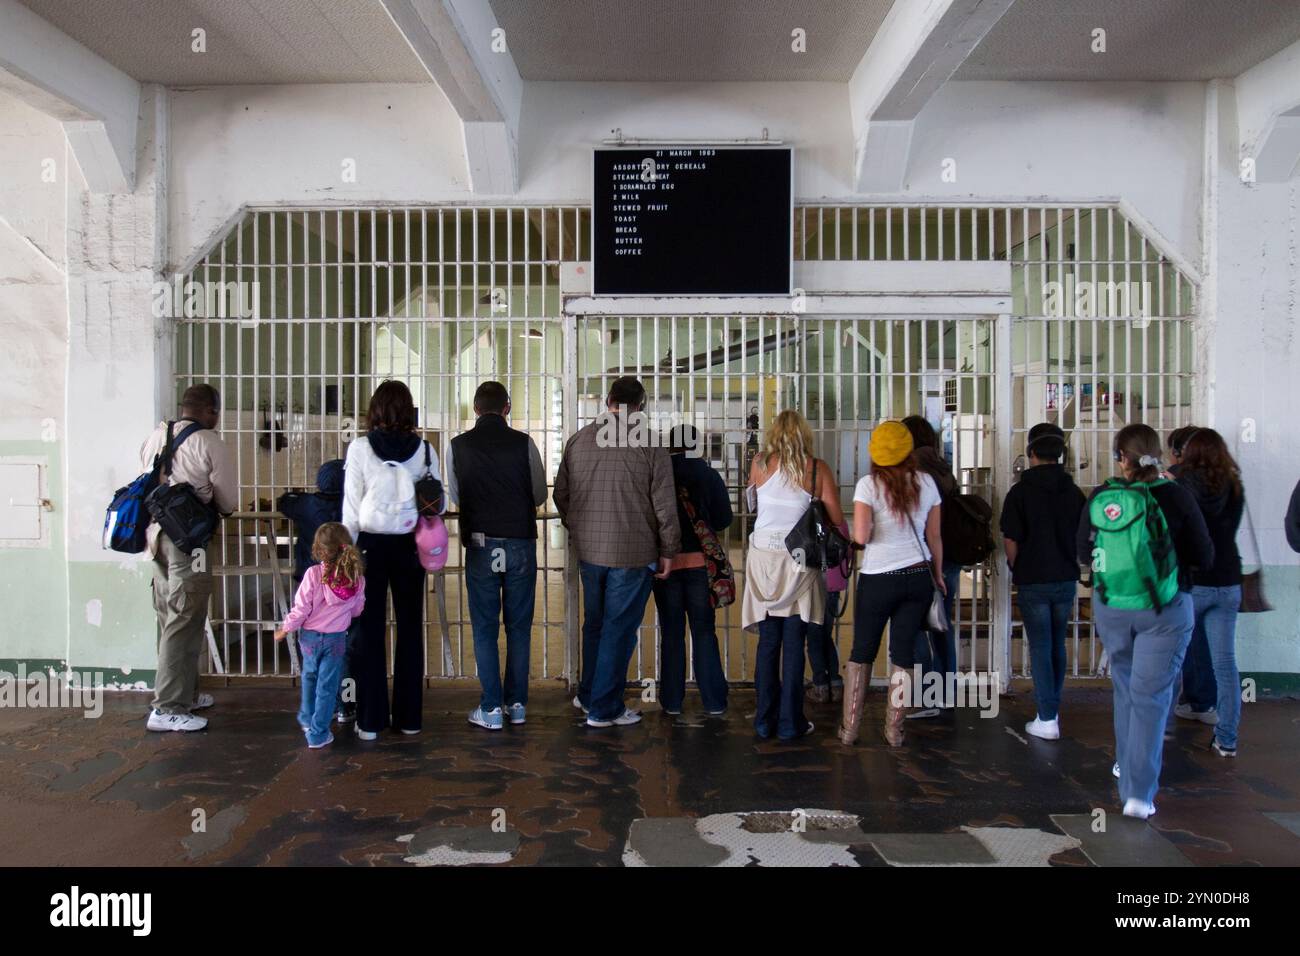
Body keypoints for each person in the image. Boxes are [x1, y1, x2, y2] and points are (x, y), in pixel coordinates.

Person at [1077, 424, 1213, 819]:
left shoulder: (1103, 496)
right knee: (1151, 695)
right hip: (1166, 609)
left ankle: (1125, 764)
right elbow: (1203, 554)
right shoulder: (1177, 495)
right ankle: (1138, 793)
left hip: (1112, 606)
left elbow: (1082, 549)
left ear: (1121, 457)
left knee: (1124, 687)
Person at [554, 376, 680, 728]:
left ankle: (588, 694)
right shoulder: (651, 446)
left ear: (608, 400)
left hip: (589, 553)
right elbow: (665, 508)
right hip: (633, 553)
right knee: (618, 630)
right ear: (641, 405)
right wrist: (669, 550)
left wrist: (577, 526)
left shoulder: (579, 441)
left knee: (594, 624)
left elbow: (560, 494)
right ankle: (604, 709)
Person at [445, 381, 547, 731]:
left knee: (485, 628)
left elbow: (456, 494)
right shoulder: (525, 443)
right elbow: (538, 495)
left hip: (480, 544)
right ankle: (516, 705)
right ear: (507, 408)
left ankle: (490, 708)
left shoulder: (457, 446)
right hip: (519, 541)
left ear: (475, 409)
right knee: (519, 627)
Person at [343, 380, 440, 740]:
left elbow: (350, 508)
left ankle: (370, 721)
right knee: (411, 629)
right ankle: (410, 719)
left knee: (369, 631)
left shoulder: (360, 448)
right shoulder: (425, 450)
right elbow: (437, 504)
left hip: (368, 546)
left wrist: (346, 554)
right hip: (409, 546)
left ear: (376, 410)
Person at [140, 384, 238, 732]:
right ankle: (167, 707)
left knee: (171, 614)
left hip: (155, 536)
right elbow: (227, 502)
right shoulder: (209, 442)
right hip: (190, 542)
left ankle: (187, 693)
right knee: (186, 616)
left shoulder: (156, 437)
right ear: (211, 410)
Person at [839, 421, 943, 747]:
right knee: (902, 654)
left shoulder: (868, 486)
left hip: (878, 579)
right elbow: (935, 536)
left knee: (863, 652)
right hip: (917, 577)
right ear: (908, 451)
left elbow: (860, 536)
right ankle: (894, 732)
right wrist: (938, 575)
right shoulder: (926, 482)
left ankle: (850, 729)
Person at [742, 410, 843, 741]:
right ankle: (790, 723)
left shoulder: (758, 464)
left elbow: (754, 504)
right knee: (794, 641)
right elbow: (837, 520)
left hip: (762, 558)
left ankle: (763, 720)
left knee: (769, 641)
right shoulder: (816, 469)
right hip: (798, 559)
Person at [1000, 423, 1086, 740]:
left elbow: (1011, 537)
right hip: (1065, 577)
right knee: (1057, 643)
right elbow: (1083, 534)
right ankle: (1052, 708)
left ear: (1031, 452)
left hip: (1033, 578)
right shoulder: (1073, 492)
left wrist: (1016, 564)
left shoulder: (1020, 492)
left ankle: (1047, 717)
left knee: (1039, 645)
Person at [652, 424, 733, 716]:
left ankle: (672, 701)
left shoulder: (658, 472)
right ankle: (714, 701)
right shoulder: (708, 475)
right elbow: (724, 519)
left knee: (671, 633)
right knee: (703, 631)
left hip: (666, 566)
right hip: (700, 566)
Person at [1175, 428, 1246, 757]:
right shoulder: (1234, 486)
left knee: (1170, 658)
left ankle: (1156, 731)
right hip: (1228, 580)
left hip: (1192, 581)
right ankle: (1227, 739)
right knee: (1225, 663)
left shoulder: (1182, 486)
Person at [277, 459, 357, 724]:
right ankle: (345, 704)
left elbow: (283, 502)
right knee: (343, 645)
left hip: (311, 585)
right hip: (344, 584)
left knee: (312, 652)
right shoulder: (351, 504)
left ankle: (313, 710)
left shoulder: (307, 504)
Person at [273, 523, 366, 749]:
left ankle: (307, 719)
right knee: (327, 685)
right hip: (336, 639)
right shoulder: (356, 578)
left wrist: (287, 627)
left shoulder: (313, 574)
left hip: (310, 638)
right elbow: (357, 610)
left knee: (309, 677)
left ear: (318, 549)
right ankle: (318, 733)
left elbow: (301, 608)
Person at [901, 415, 960, 718]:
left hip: (924, 557)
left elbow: (925, 527)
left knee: (914, 626)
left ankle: (925, 695)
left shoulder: (917, 472)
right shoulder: (944, 467)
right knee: (941, 624)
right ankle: (946, 692)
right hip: (950, 555)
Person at [805, 517, 850, 705]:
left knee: (814, 639)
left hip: (814, 585)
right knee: (825, 637)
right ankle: (836, 683)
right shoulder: (841, 523)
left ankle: (821, 686)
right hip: (834, 586)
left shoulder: (809, 522)